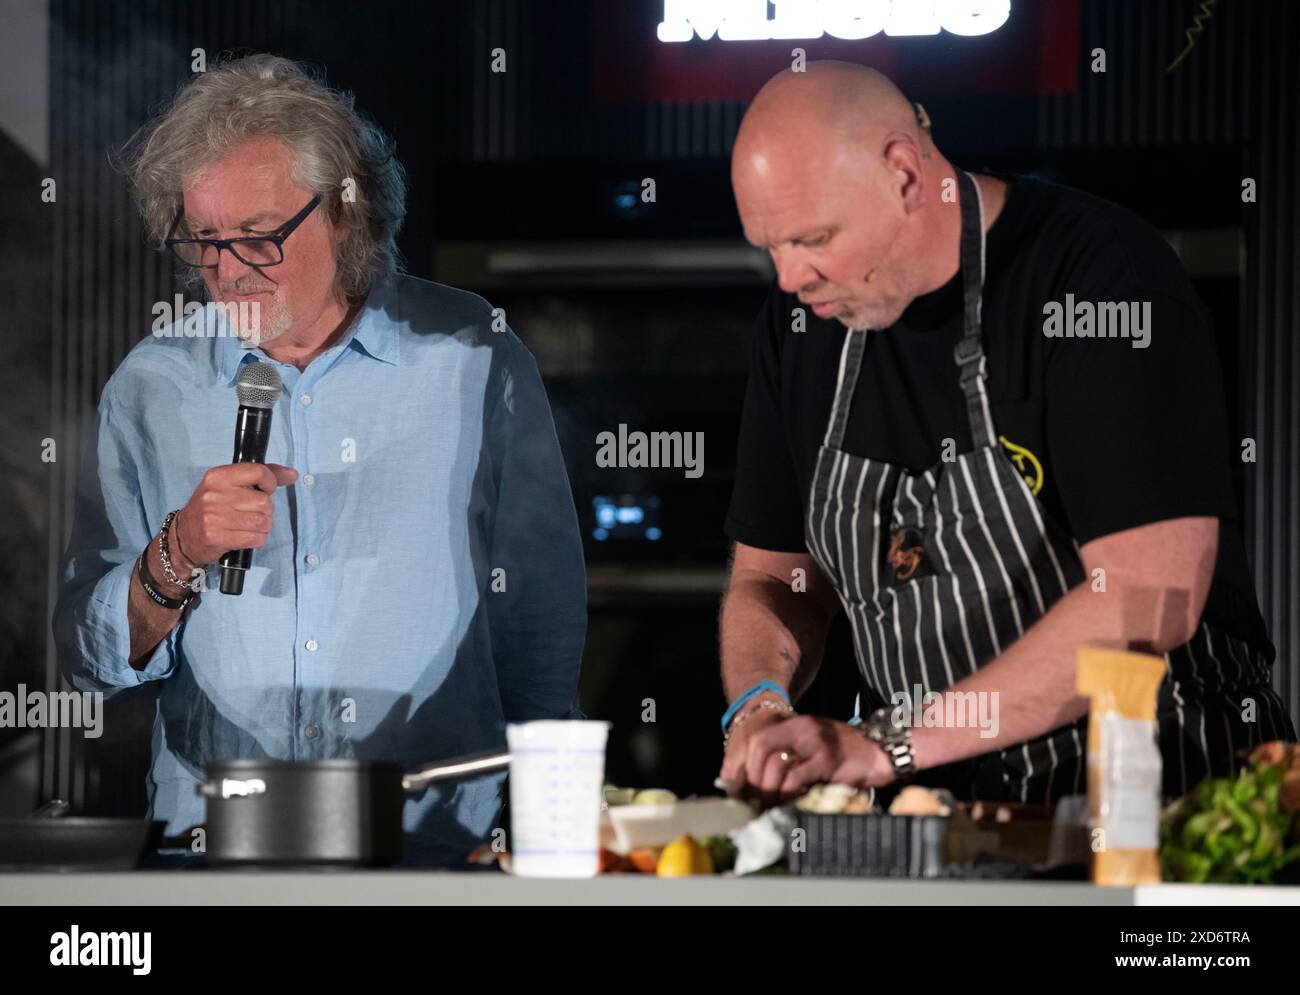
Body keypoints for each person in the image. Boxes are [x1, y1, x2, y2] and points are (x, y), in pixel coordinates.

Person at [53, 54, 586, 865]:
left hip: (433, 844)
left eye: (260, 237)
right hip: (215, 847)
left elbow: (542, 620)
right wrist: (176, 554)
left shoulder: (473, 356)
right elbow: (86, 659)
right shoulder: (151, 387)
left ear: (345, 209)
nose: (228, 271)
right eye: (206, 240)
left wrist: (549, 834)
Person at [718, 61, 1294, 807]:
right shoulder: (803, 324)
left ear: (902, 173)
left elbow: (1150, 592)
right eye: (771, 246)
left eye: (813, 238)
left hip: (1154, 804)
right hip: (938, 824)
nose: (790, 276)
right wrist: (761, 702)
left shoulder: (1096, 277)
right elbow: (773, 578)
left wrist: (889, 741)